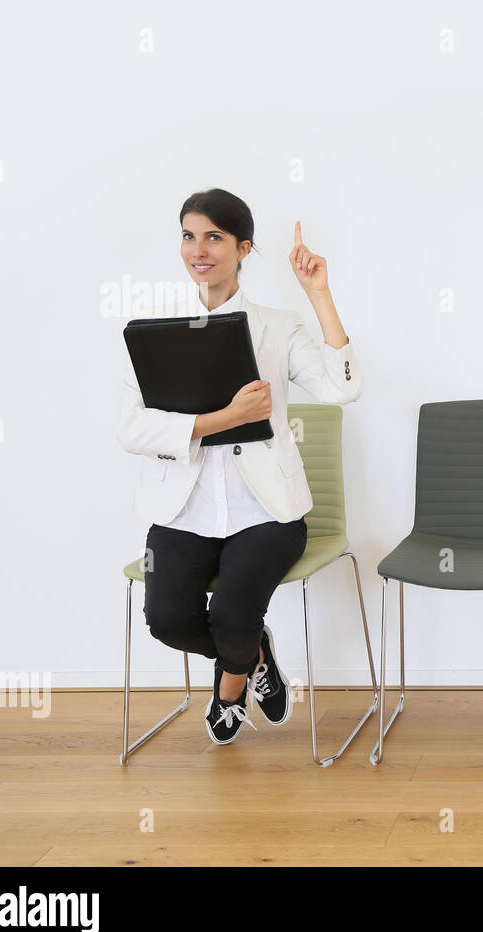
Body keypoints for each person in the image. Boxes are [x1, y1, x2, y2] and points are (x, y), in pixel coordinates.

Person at [116, 187, 363, 745]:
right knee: (168, 620)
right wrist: (222, 418)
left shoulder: (277, 326)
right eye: (188, 235)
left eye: (214, 237)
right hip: (184, 509)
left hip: (267, 511)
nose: (198, 249)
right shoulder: (156, 333)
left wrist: (319, 295)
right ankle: (255, 655)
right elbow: (131, 428)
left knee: (231, 615)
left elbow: (341, 388)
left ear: (243, 248)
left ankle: (230, 684)